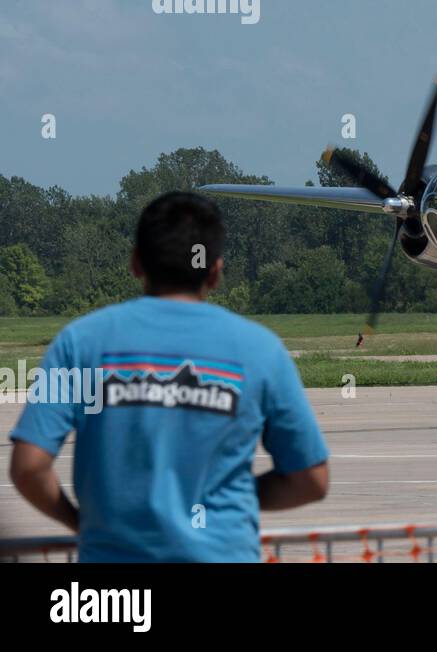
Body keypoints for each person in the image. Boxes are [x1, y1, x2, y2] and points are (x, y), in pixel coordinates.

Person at [8, 191, 329, 562]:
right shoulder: (261, 350)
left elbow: (29, 466)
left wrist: (81, 522)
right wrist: (231, 495)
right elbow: (311, 480)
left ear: (136, 264)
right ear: (216, 271)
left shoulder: (78, 343)